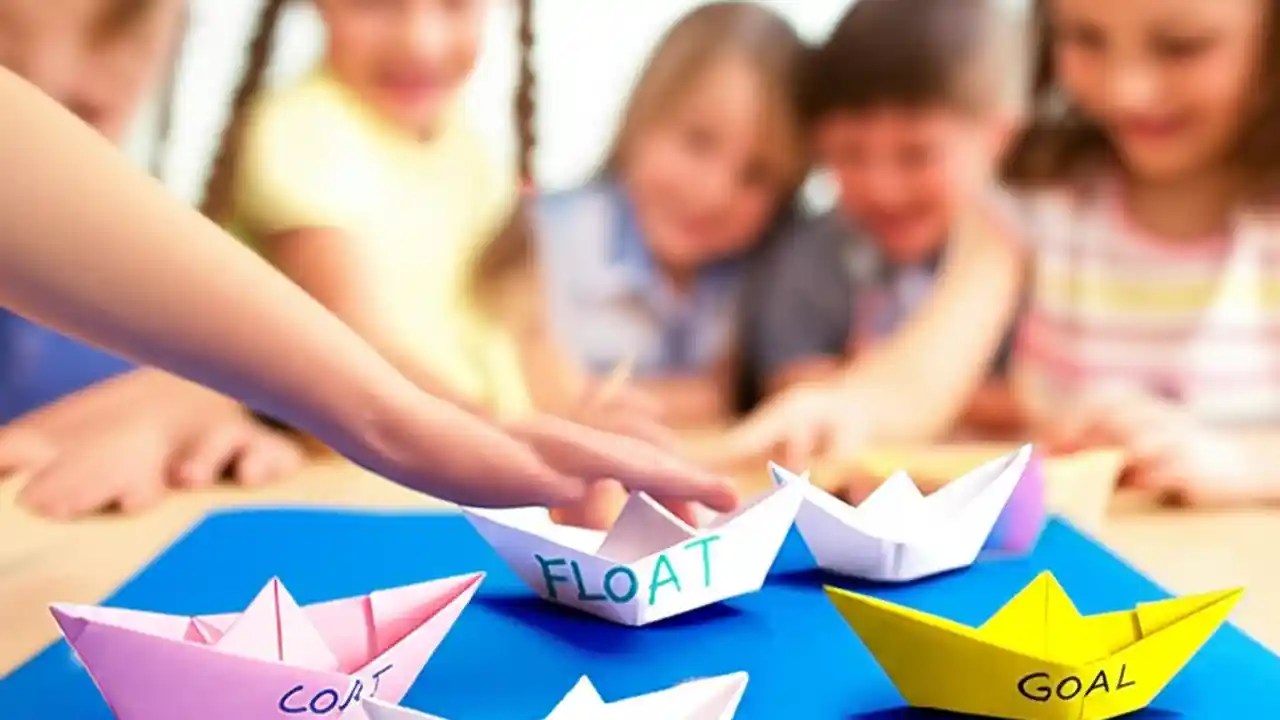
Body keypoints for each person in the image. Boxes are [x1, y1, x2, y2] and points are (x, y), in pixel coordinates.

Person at [0, 66, 739, 513]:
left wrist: (574, 412)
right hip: (385, 479)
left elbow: (521, 332)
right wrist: (452, 427)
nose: (419, 35)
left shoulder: (473, 149)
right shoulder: (303, 132)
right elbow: (363, 340)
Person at [735, 0, 1280, 506]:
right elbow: (920, 377)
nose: (1127, 89)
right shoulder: (1033, 198)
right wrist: (840, 407)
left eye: (1183, 46)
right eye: (1085, 37)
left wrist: (1247, 464)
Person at [0, 0, 305, 518]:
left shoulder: (110, 264)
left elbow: (201, 387)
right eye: (17, 110)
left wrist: (188, 411)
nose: (49, 158)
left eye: (82, 113)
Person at [739, 0, 1022, 445]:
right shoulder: (812, 255)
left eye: (917, 154)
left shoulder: (1025, 246)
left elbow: (1049, 400)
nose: (883, 188)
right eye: (849, 154)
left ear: (998, 136)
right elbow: (795, 388)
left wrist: (873, 377)